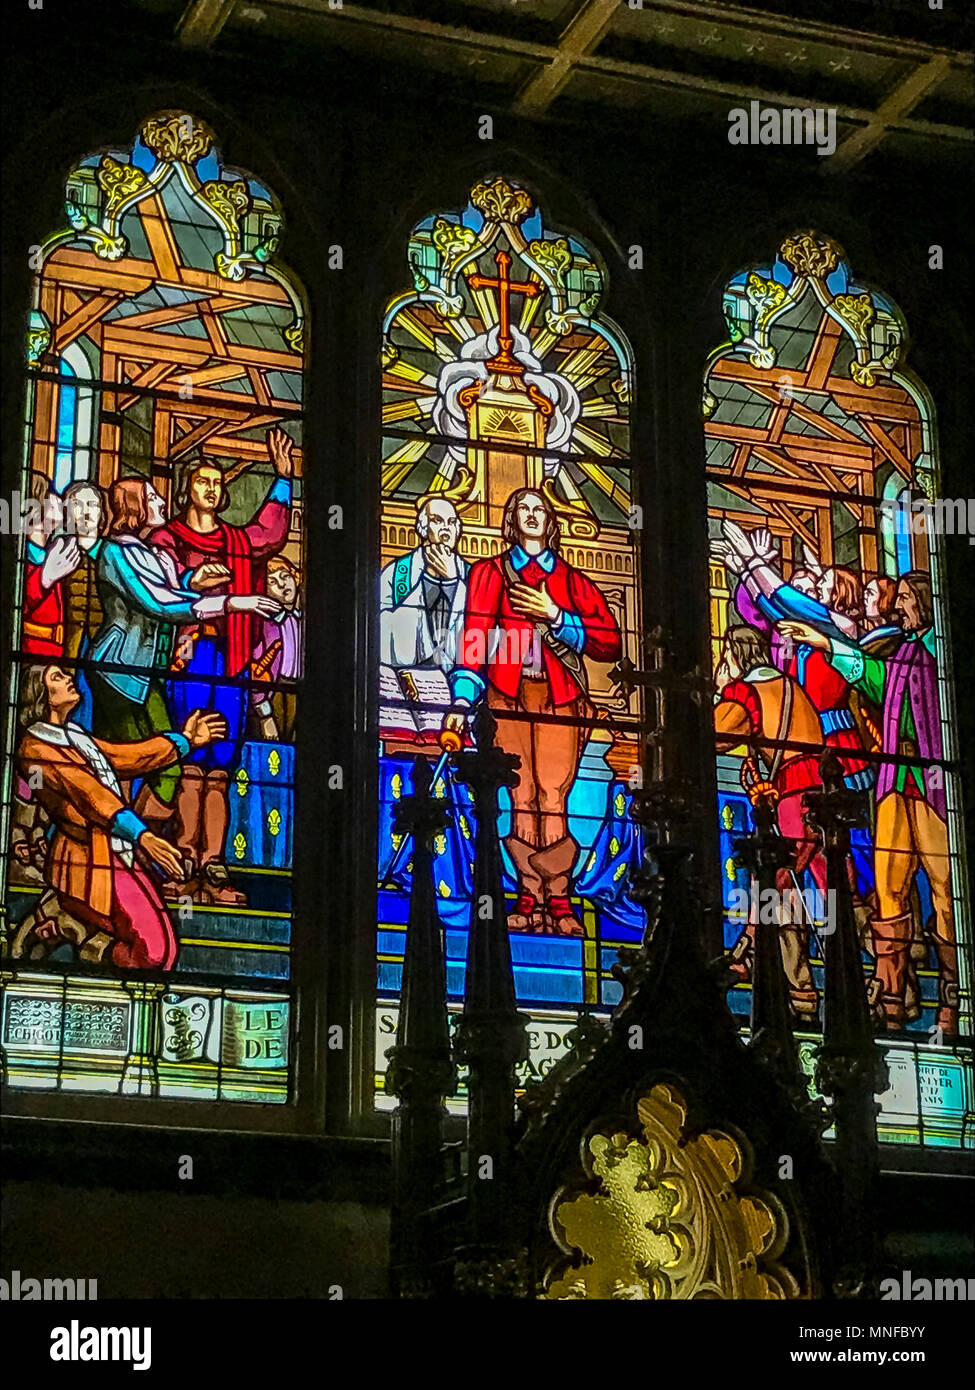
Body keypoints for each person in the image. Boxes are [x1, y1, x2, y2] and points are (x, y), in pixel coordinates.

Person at [782, 571, 958, 1035]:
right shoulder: (898, 654)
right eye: (895, 598)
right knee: (888, 889)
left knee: (946, 893)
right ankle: (892, 996)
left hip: (935, 785)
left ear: (924, 601)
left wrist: (824, 639)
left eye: (904, 598)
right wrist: (823, 641)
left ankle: (953, 995)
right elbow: (865, 673)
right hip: (894, 782)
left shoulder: (938, 652)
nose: (898, 606)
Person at [442, 487, 621, 935]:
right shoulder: (489, 573)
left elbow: (609, 641)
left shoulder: (570, 579)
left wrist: (558, 616)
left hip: (559, 696)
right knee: (519, 794)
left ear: (551, 520)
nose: (532, 514)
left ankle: (559, 898)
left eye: (540, 508)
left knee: (554, 793)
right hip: (507, 694)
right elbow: (476, 635)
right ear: (511, 520)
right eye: (523, 508)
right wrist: (463, 699)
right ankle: (528, 895)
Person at [87, 476, 277, 868]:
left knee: (167, 763)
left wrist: (194, 579)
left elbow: (172, 585)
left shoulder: (148, 553)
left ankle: (137, 843)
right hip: (117, 673)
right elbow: (159, 601)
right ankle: (121, 849)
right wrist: (232, 602)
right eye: (151, 496)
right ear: (134, 508)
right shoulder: (114, 552)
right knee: (126, 763)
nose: (160, 500)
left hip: (148, 677)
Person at [152, 428, 294, 904]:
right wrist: (193, 579)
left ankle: (212, 859)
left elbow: (269, 533)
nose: (211, 488)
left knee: (221, 768)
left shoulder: (236, 540)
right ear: (186, 488)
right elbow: (161, 585)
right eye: (202, 481)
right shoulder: (167, 537)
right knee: (193, 758)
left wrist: (283, 478)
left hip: (231, 661)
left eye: (216, 482)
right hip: (192, 656)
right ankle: (184, 853)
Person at [14, 665, 226, 970]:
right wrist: (143, 835)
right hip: (88, 858)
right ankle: (78, 934)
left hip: (116, 851)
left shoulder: (74, 736)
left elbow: (127, 757)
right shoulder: (36, 747)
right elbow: (90, 794)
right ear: (40, 694)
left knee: (163, 951)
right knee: (153, 954)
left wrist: (185, 741)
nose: (69, 678)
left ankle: (68, 925)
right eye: (56, 677)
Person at [713, 624, 824, 1017]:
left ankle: (757, 961)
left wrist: (720, 688)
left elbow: (713, 733)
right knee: (818, 888)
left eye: (724, 656)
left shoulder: (747, 692)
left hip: (793, 795)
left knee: (778, 884)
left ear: (736, 656)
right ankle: (806, 992)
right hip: (824, 799)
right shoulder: (792, 686)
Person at [379, 495, 468, 674]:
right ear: (423, 527)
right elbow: (380, 633)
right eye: (437, 520)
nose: (445, 528)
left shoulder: (473, 576)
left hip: (460, 686)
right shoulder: (396, 573)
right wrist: (430, 581)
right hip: (407, 678)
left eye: (451, 522)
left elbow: (485, 635)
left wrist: (453, 583)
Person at [21, 471, 81, 657]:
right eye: (50, 493)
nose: (58, 498)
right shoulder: (21, 559)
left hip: (55, 652)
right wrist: (44, 578)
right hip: (31, 652)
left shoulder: (50, 554)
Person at [251, 556, 303, 741]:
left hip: (301, 691)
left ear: (296, 577)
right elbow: (256, 673)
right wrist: (264, 714)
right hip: (274, 691)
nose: (282, 585)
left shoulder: (306, 623)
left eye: (285, 576)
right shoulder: (263, 627)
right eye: (273, 581)